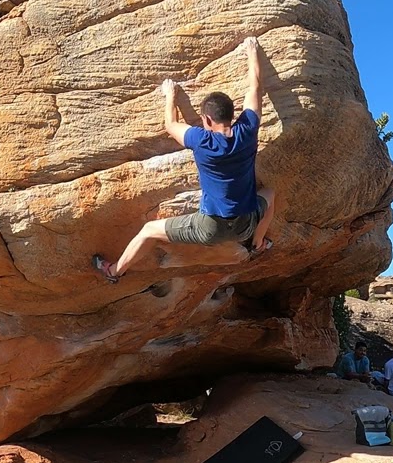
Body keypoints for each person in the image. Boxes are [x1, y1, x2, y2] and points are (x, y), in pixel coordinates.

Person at [92, 36, 277, 283]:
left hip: (210, 227)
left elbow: (171, 125)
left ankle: (114, 272)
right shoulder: (247, 130)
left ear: (207, 120)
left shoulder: (203, 141)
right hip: (245, 222)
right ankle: (256, 243)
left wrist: (170, 95)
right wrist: (252, 51)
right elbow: (255, 87)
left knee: (149, 231)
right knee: (270, 194)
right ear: (231, 115)